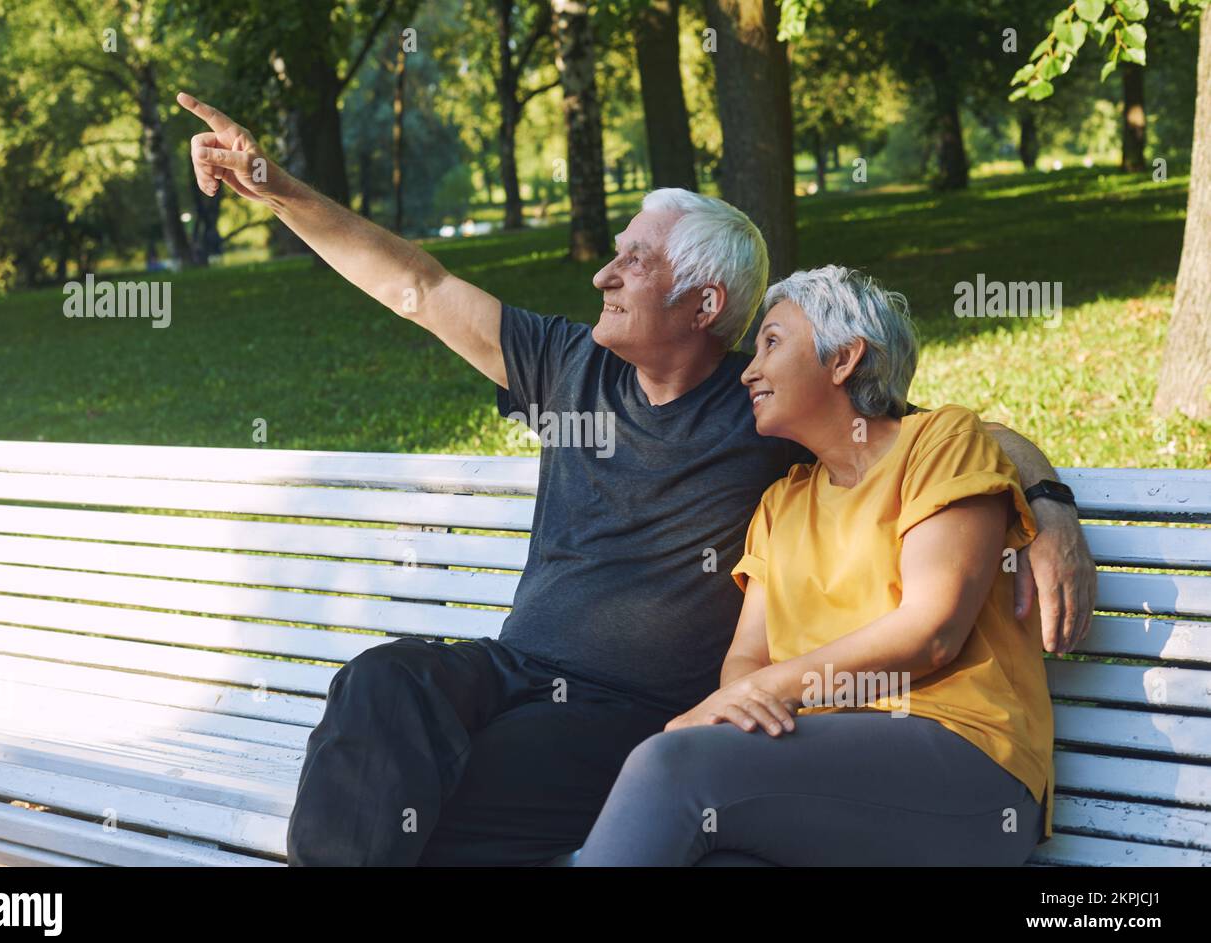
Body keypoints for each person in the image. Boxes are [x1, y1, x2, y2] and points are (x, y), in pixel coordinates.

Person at [176, 92, 1094, 866]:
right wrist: (280, 191)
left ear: (706, 306)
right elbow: (415, 286)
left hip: (630, 717)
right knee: (381, 684)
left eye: (634, 259)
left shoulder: (765, 410)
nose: (604, 273)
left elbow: (927, 432)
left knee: (424, 810)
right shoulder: (566, 363)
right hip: (512, 672)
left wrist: (1045, 502)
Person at [576, 267, 1055, 866]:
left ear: (844, 359)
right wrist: (740, 704)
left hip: (965, 762)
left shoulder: (939, 442)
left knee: (671, 765)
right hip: (827, 773)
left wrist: (748, 702)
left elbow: (932, 631)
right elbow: (748, 656)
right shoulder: (783, 502)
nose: (748, 370)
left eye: (772, 343)